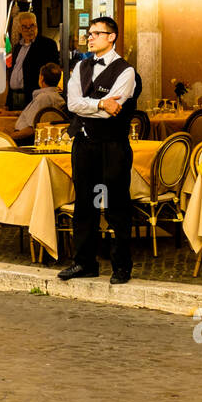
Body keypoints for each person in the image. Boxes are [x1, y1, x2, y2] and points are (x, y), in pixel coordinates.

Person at [58, 16, 140, 286]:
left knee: (116, 205)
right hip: (83, 144)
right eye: (89, 33)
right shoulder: (80, 66)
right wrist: (100, 105)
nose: (89, 37)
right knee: (85, 204)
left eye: (96, 33)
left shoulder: (126, 72)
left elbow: (113, 112)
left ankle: (121, 266)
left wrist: (97, 106)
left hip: (112, 146)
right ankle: (84, 262)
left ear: (112, 37)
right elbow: (72, 104)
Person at [0, 11, 60, 112]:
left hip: (35, 98)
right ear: (19, 29)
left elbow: (52, 73)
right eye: (25, 27)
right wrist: (7, 104)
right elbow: (13, 74)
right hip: (14, 98)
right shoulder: (17, 47)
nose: (29, 30)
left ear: (36, 26)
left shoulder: (47, 44)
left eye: (32, 26)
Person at [12, 62, 65, 142]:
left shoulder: (43, 98)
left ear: (41, 78)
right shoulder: (58, 98)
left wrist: (9, 136)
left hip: (25, 140)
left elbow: (31, 129)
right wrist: (10, 113)